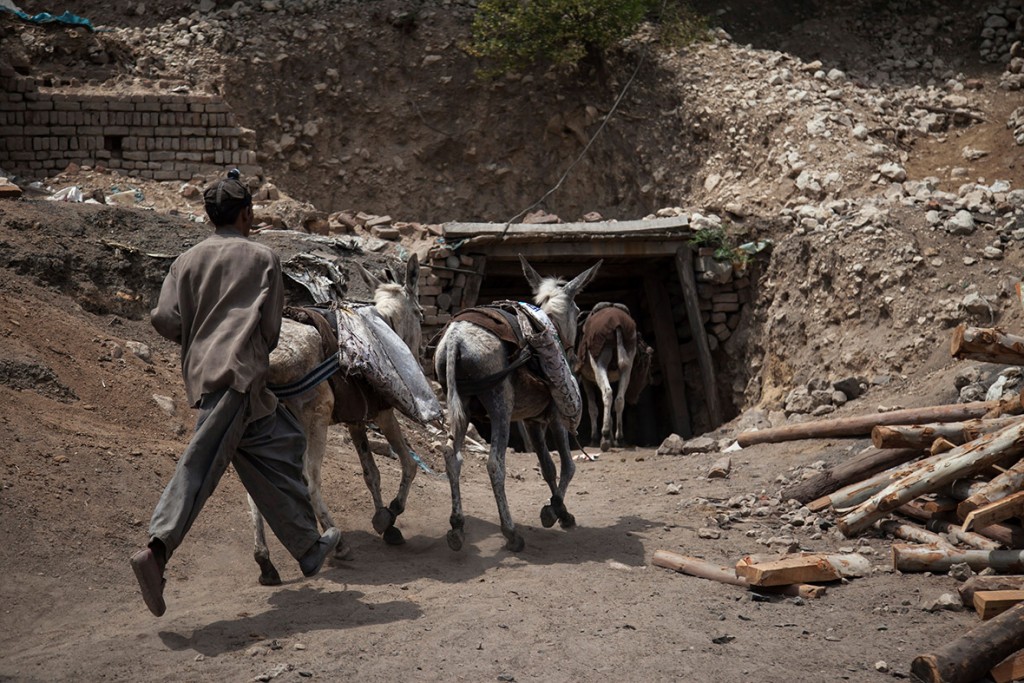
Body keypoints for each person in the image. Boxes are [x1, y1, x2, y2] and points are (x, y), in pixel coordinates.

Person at [130, 169, 340, 617]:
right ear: (246, 213)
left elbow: (164, 319)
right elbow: (270, 329)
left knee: (283, 441)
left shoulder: (185, 261)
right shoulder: (264, 258)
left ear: (210, 216)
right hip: (239, 377)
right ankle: (156, 551)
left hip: (221, 379)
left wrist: (201, 335)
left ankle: (307, 547)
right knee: (199, 467)